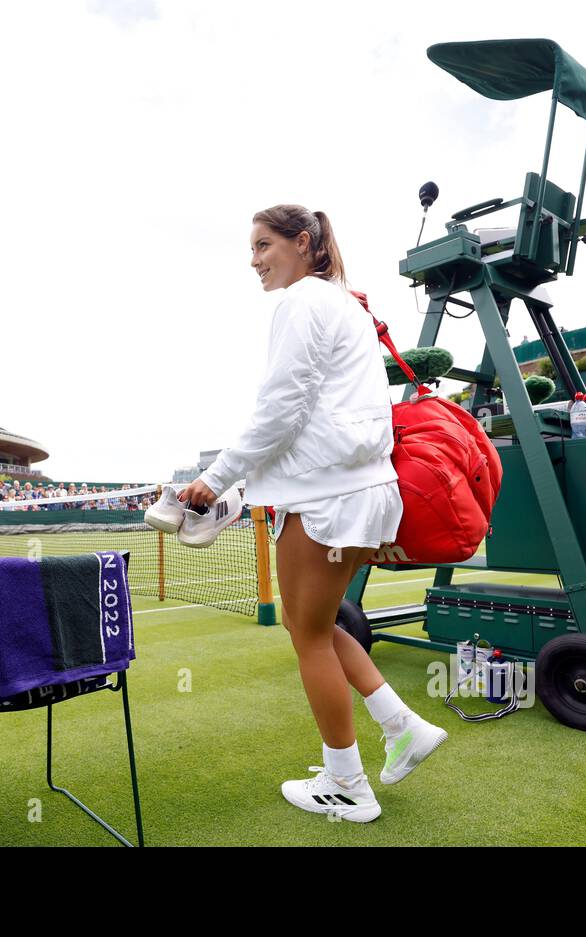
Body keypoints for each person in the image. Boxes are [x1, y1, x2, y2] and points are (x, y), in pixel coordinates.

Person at [175, 204, 445, 824]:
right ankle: (403, 726)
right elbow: (307, 419)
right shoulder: (342, 303)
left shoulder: (303, 303)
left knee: (309, 636)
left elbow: (282, 408)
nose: (254, 260)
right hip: (349, 492)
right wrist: (243, 489)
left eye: (264, 245)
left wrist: (216, 478)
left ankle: (348, 784)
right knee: (312, 627)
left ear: (302, 243)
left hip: (332, 499)